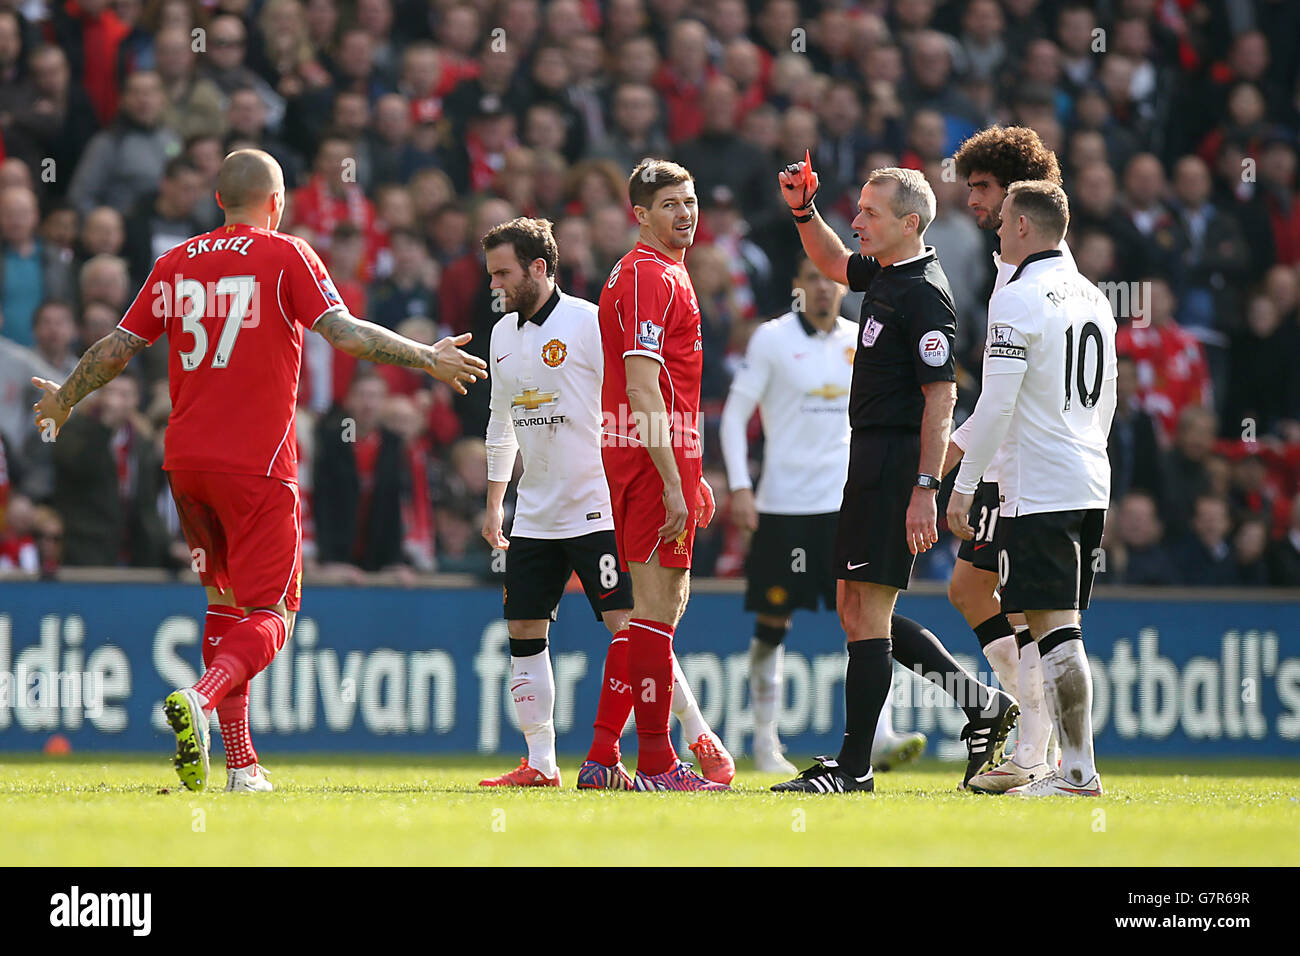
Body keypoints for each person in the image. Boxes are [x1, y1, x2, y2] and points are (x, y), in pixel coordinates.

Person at [31, 148, 486, 793]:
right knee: (275, 612)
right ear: (277, 202)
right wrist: (427, 357)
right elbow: (348, 335)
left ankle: (243, 767)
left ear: (218, 199)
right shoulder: (288, 256)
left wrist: (65, 398)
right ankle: (202, 696)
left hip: (186, 461)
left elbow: (117, 349)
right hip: (257, 463)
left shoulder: (174, 262)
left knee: (225, 605)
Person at [771, 154, 1016, 794]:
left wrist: (926, 490)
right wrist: (804, 209)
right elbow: (829, 261)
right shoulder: (885, 271)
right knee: (856, 607)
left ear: (909, 223)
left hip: (897, 461)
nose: (856, 222)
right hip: (870, 456)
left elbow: (942, 398)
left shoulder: (925, 295)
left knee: (869, 609)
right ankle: (980, 706)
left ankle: (854, 770)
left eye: (869, 213)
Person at [477, 216, 732, 788]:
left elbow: (637, 399)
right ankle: (541, 764)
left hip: (600, 504)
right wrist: (496, 502)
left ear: (539, 268)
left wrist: (682, 475)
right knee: (522, 630)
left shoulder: (590, 322)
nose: (493, 284)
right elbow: (501, 424)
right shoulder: (501, 336)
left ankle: (694, 735)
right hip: (537, 511)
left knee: (633, 627)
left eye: (503, 273)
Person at [720, 253, 926, 774]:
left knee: (864, 619)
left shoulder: (862, 339)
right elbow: (735, 414)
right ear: (797, 284)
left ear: (842, 288)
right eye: (811, 279)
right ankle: (765, 743)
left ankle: (878, 734)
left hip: (846, 502)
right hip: (784, 505)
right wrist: (741, 486)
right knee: (773, 620)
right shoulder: (771, 339)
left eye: (829, 281)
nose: (821, 289)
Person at [947, 180, 1117, 797]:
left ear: (1022, 227)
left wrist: (965, 484)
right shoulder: (1097, 298)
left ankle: (1074, 774)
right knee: (1048, 624)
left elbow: (994, 407)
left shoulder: (1018, 298)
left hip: (1040, 484)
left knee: (1055, 630)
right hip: (1086, 477)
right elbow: (1109, 405)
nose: (995, 233)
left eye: (1001, 225)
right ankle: (1040, 762)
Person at [593, 158, 727, 791]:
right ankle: (657, 763)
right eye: (671, 204)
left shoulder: (653, 273)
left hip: (653, 455)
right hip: (649, 460)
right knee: (656, 612)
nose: (686, 213)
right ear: (640, 215)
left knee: (653, 609)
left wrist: (689, 472)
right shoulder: (650, 277)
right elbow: (644, 390)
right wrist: (673, 479)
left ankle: (603, 758)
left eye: (691, 200)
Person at [947, 125, 1069, 786]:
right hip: (1008, 456)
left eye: (983, 188)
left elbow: (1004, 397)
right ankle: (1035, 731)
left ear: (1017, 196)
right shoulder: (1009, 268)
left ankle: (1035, 749)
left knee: (1022, 610)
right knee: (971, 588)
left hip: (1023, 462)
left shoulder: (1032, 278)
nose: (971, 201)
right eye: (968, 187)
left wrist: (961, 459)